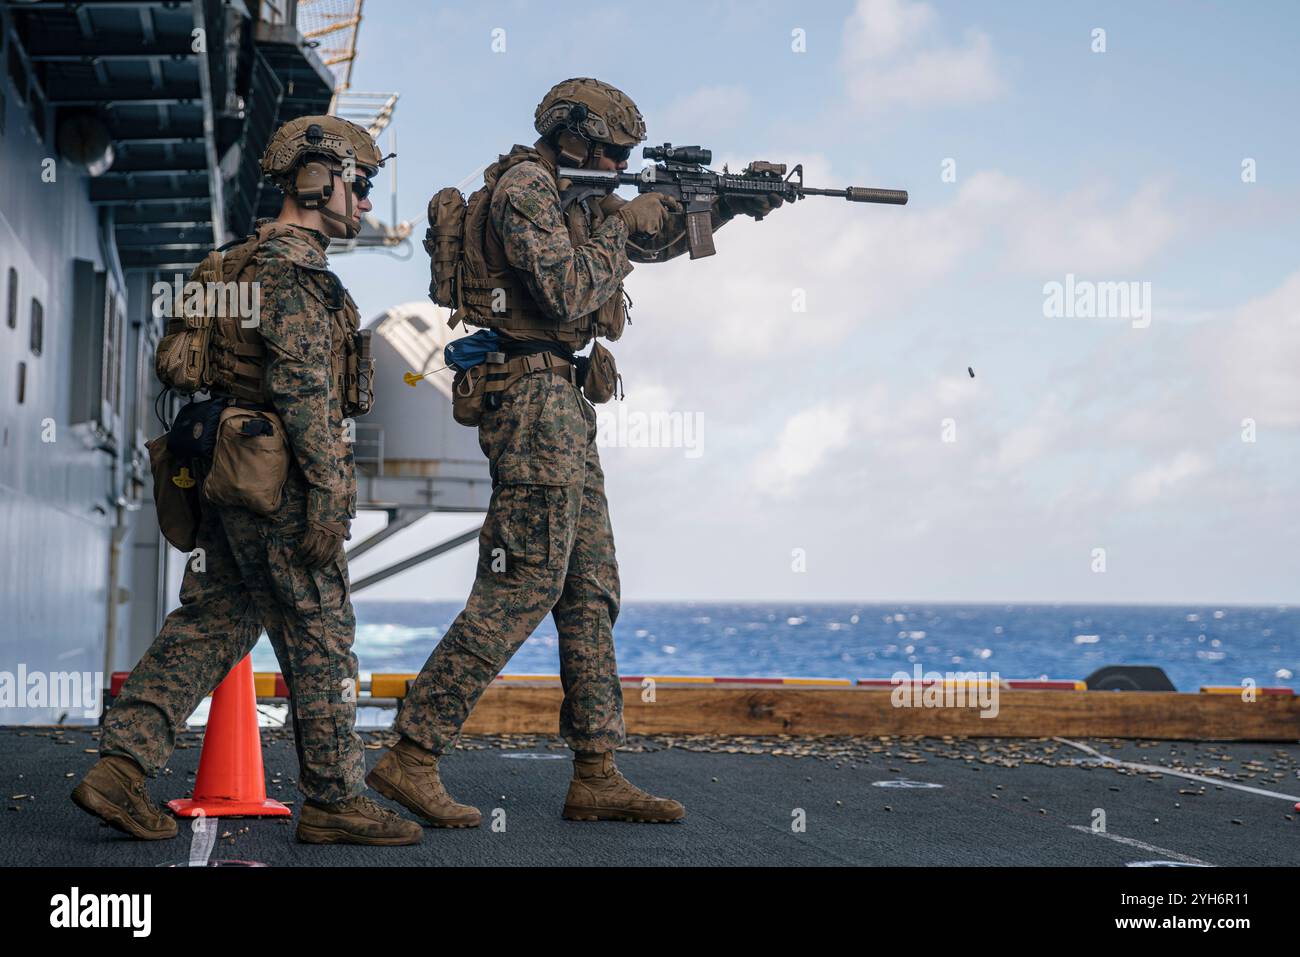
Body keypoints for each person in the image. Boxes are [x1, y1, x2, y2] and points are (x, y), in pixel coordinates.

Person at [368, 78, 783, 826]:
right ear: (573, 137)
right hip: (529, 397)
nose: (622, 165)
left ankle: (596, 770)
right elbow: (565, 288)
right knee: (523, 581)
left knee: (590, 586)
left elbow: (643, 240)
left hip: (564, 400)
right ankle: (411, 754)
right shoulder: (527, 188)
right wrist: (624, 231)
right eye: (613, 152)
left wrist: (724, 203)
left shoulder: (579, 196)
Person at [73, 115, 422, 846]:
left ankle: (119, 768)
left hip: (225, 471)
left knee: (210, 621)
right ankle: (333, 799)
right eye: (356, 186)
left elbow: (185, 367)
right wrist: (331, 495)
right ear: (316, 179)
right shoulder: (295, 272)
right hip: (280, 478)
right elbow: (302, 390)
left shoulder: (231, 263)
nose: (362, 204)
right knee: (322, 632)